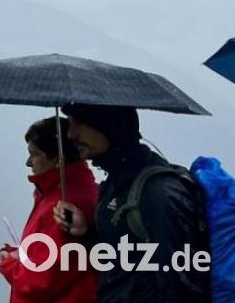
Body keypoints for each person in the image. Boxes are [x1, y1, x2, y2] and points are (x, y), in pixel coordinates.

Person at [53, 104, 210, 302]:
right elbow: (124, 259)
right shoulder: (116, 182)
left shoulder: (158, 192)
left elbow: (182, 287)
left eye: (80, 123)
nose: (70, 134)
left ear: (108, 124)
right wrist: (86, 232)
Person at [0, 116, 98, 303]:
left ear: (59, 159)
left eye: (34, 154)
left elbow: (40, 280)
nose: (28, 162)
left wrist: (8, 262)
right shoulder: (73, 190)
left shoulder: (64, 204)